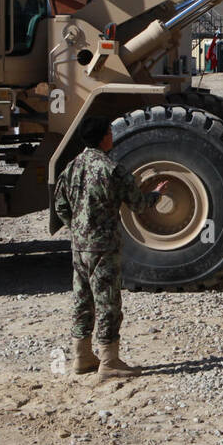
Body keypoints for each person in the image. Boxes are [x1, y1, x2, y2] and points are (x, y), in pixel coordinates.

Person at [53, 116, 165, 377]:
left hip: (79, 246)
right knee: (108, 302)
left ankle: (81, 357)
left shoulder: (71, 167)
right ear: (104, 137)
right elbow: (137, 204)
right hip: (104, 247)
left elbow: (60, 206)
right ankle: (109, 361)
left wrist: (78, 228)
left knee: (82, 300)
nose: (112, 136)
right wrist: (156, 195)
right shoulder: (112, 169)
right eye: (109, 132)